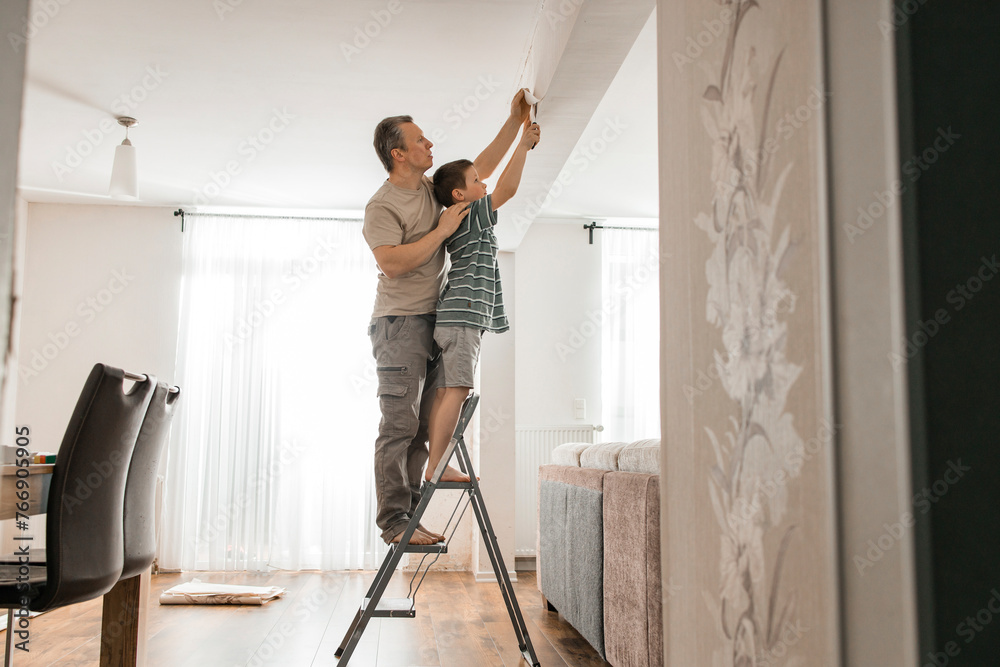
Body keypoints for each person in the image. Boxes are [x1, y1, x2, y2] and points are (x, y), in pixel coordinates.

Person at [363, 91, 531, 546]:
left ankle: (412, 514)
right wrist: (441, 232)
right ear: (398, 154)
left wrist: (515, 123)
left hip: (432, 316)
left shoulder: (427, 191)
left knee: (421, 424)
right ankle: (394, 522)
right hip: (399, 321)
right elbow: (392, 264)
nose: (429, 144)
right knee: (398, 424)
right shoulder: (383, 206)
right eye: (420, 141)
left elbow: (481, 169)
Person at [424, 118, 541, 484]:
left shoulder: (461, 215)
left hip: (459, 315)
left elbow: (492, 184)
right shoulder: (468, 214)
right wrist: (523, 145)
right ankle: (436, 467)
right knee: (457, 390)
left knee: (448, 391)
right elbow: (507, 189)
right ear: (460, 194)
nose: (483, 183)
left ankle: (435, 463)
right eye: (476, 181)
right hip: (461, 316)